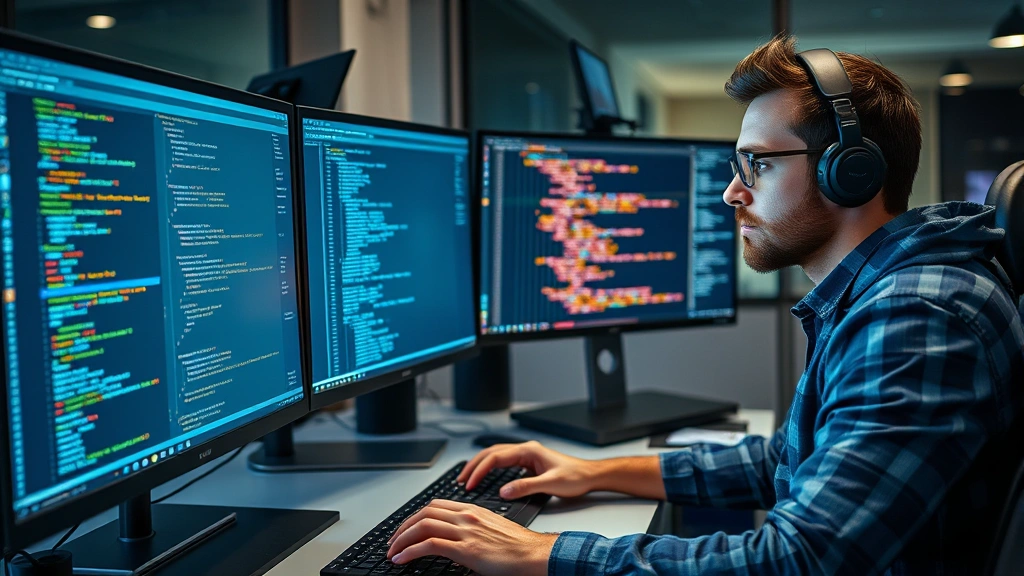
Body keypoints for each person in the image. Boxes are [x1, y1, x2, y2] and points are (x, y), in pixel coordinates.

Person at [385, 35, 1024, 575]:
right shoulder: (889, 291)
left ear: (850, 171)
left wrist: (542, 551)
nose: (731, 193)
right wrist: (594, 471)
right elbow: (787, 460)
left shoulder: (918, 315)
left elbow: (801, 560)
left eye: (757, 164)